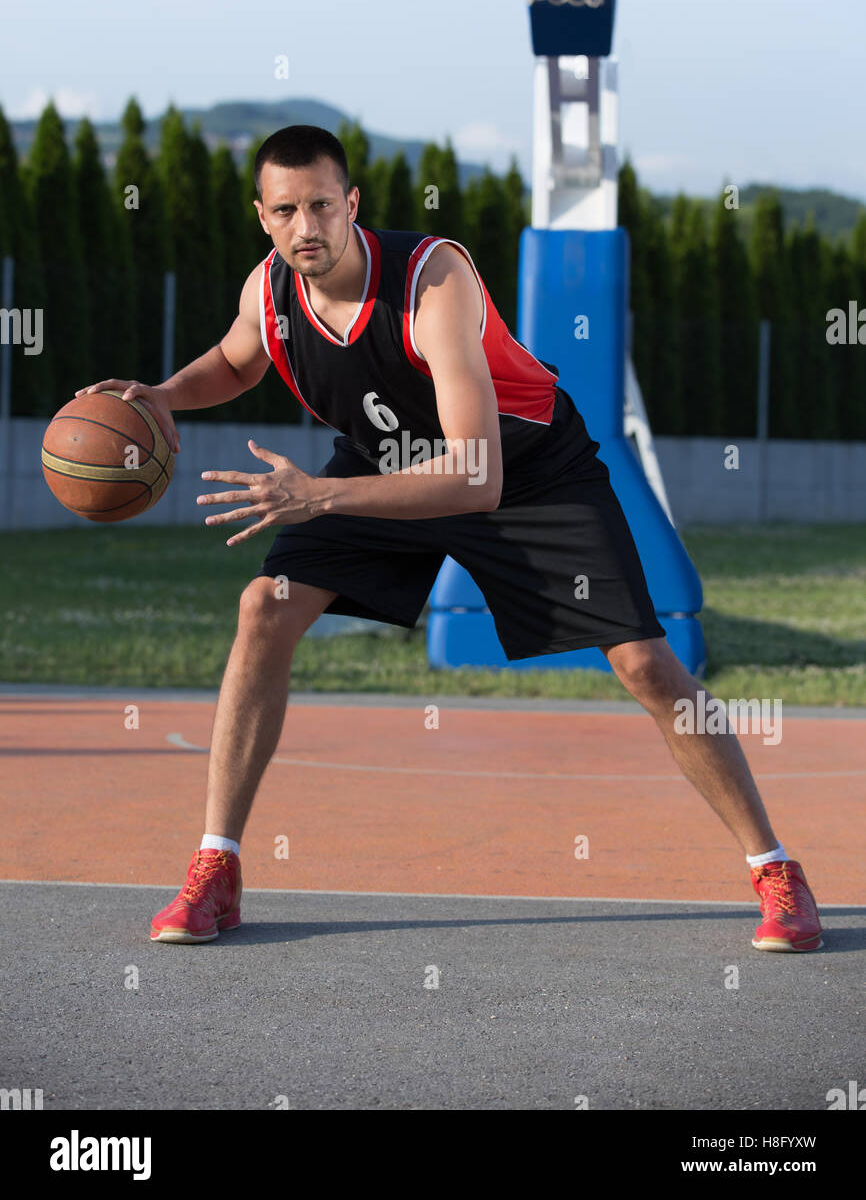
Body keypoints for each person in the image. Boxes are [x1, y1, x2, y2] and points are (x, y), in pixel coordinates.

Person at [78, 125, 823, 953]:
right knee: (265, 607)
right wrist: (168, 396)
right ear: (264, 217)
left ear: (351, 203)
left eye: (322, 205)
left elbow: (478, 478)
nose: (306, 227)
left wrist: (320, 495)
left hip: (527, 470)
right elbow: (236, 360)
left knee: (646, 663)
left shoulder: (433, 282)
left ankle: (776, 869)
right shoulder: (270, 291)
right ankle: (216, 866)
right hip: (385, 461)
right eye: (286, 211)